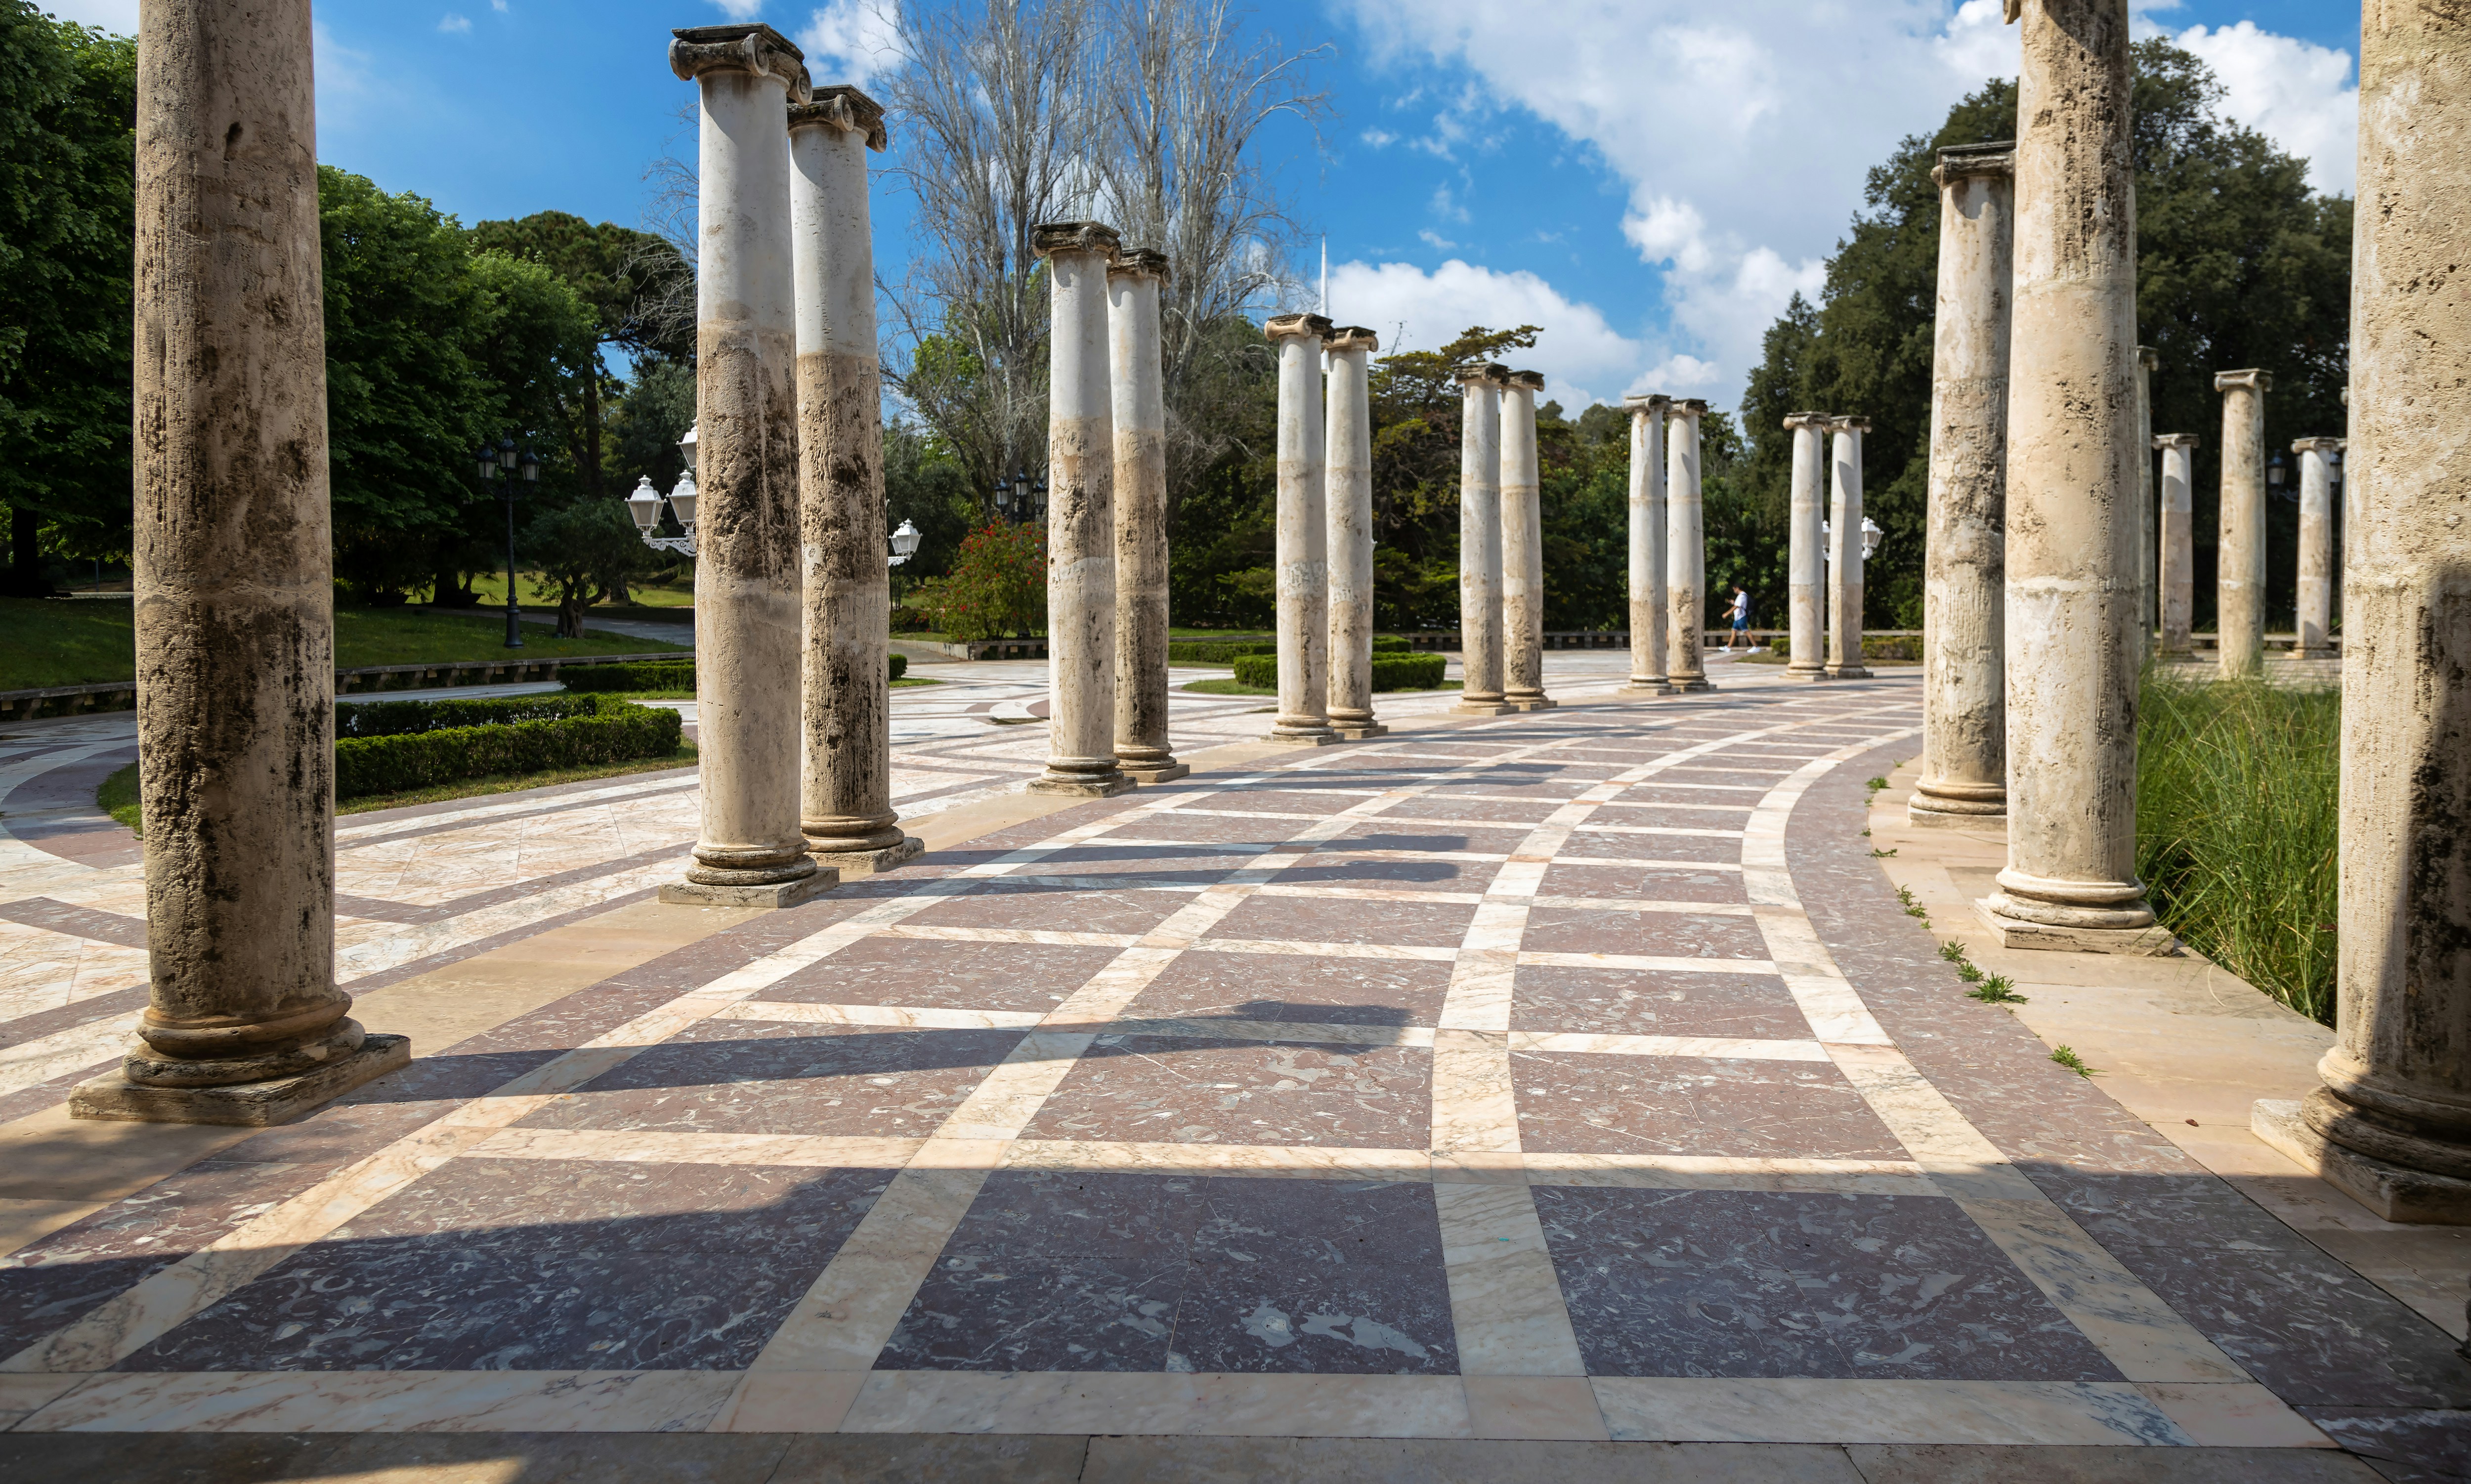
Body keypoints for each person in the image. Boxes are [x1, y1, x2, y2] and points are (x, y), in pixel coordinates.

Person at [1727, 586, 1751, 651]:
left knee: (1746, 631)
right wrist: (1734, 603)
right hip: (1738, 617)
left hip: (1741, 617)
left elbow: (1737, 606)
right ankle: (1728, 648)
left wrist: (1727, 614)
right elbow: (1739, 605)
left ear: (1737, 588)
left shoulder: (1742, 596)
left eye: (1734, 589)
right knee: (1734, 631)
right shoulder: (1741, 596)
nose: (1734, 591)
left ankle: (1756, 647)